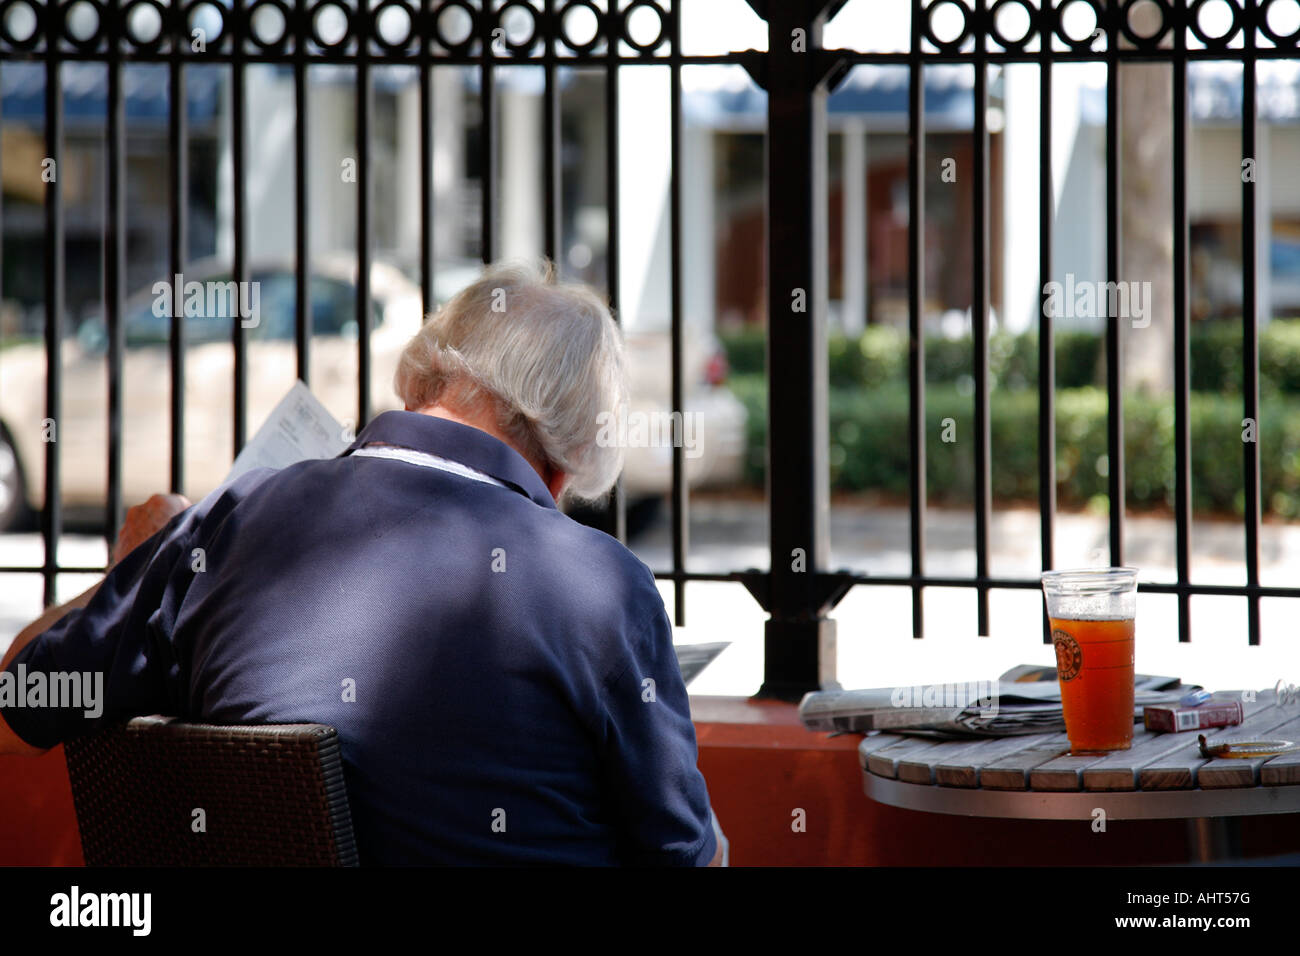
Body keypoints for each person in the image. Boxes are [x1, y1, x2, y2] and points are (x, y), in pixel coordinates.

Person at [0, 259, 722, 866]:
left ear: (419, 380)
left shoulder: (227, 522)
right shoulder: (601, 585)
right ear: (563, 473)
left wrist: (130, 569)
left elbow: (19, 712)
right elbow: (687, 856)